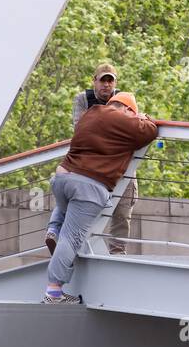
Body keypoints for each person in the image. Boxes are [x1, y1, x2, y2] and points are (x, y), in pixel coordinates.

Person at [43, 92, 158, 303]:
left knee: (66, 216)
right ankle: (53, 292)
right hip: (88, 187)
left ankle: (53, 227)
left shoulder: (91, 113)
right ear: (128, 110)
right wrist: (144, 117)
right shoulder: (123, 119)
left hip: (61, 178)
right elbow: (149, 131)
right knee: (71, 238)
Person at [46, 65, 139, 256]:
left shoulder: (125, 100)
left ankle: (117, 252)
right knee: (71, 192)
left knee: (123, 210)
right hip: (90, 165)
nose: (106, 85)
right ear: (94, 81)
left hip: (120, 164)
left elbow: (136, 129)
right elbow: (80, 129)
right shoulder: (83, 99)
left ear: (115, 83)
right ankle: (62, 236)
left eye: (110, 81)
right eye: (102, 80)